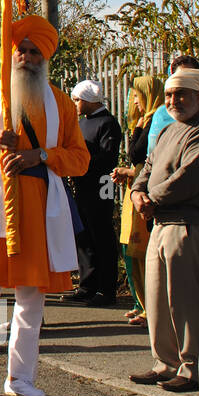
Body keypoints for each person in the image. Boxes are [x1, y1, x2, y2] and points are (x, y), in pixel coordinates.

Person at [0, 15, 90, 396]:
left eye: (33, 52)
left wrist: (38, 155)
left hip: (39, 209)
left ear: (44, 58)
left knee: (31, 296)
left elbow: (80, 159)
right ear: (9, 54)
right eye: (20, 50)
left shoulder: (61, 103)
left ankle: (21, 378)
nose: (25, 57)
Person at [128, 68, 199, 392]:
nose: (174, 100)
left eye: (181, 94)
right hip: (158, 223)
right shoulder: (169, 131)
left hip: (186, 224)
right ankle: (164, 363)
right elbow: (146, 168)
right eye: (170, 95)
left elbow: (188, 177)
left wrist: (150, 198)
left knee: (183, 300)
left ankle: (191, 368)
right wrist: (136, 193)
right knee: (156, 300)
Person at [65, 79, 124, 307]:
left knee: (102, 235)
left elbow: (107, 158)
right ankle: (87, 285)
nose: (75, 104)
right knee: (84, 236)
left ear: (89, 100)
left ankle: (106, 289)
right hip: (81, 186)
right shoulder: (82, 123)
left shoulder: (108, 123)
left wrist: (80, 163)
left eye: (78, 100)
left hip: (101, 186)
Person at [111, 76, 164, 326]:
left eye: (137, 95)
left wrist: (131, 172)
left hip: (146, 191)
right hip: (135, 188)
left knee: (143, 250)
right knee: (131, 248)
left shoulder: (159, 122)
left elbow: (151, 161)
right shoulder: (143, 122)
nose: (133, 100)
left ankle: (151, 308)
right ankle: (141, 302)